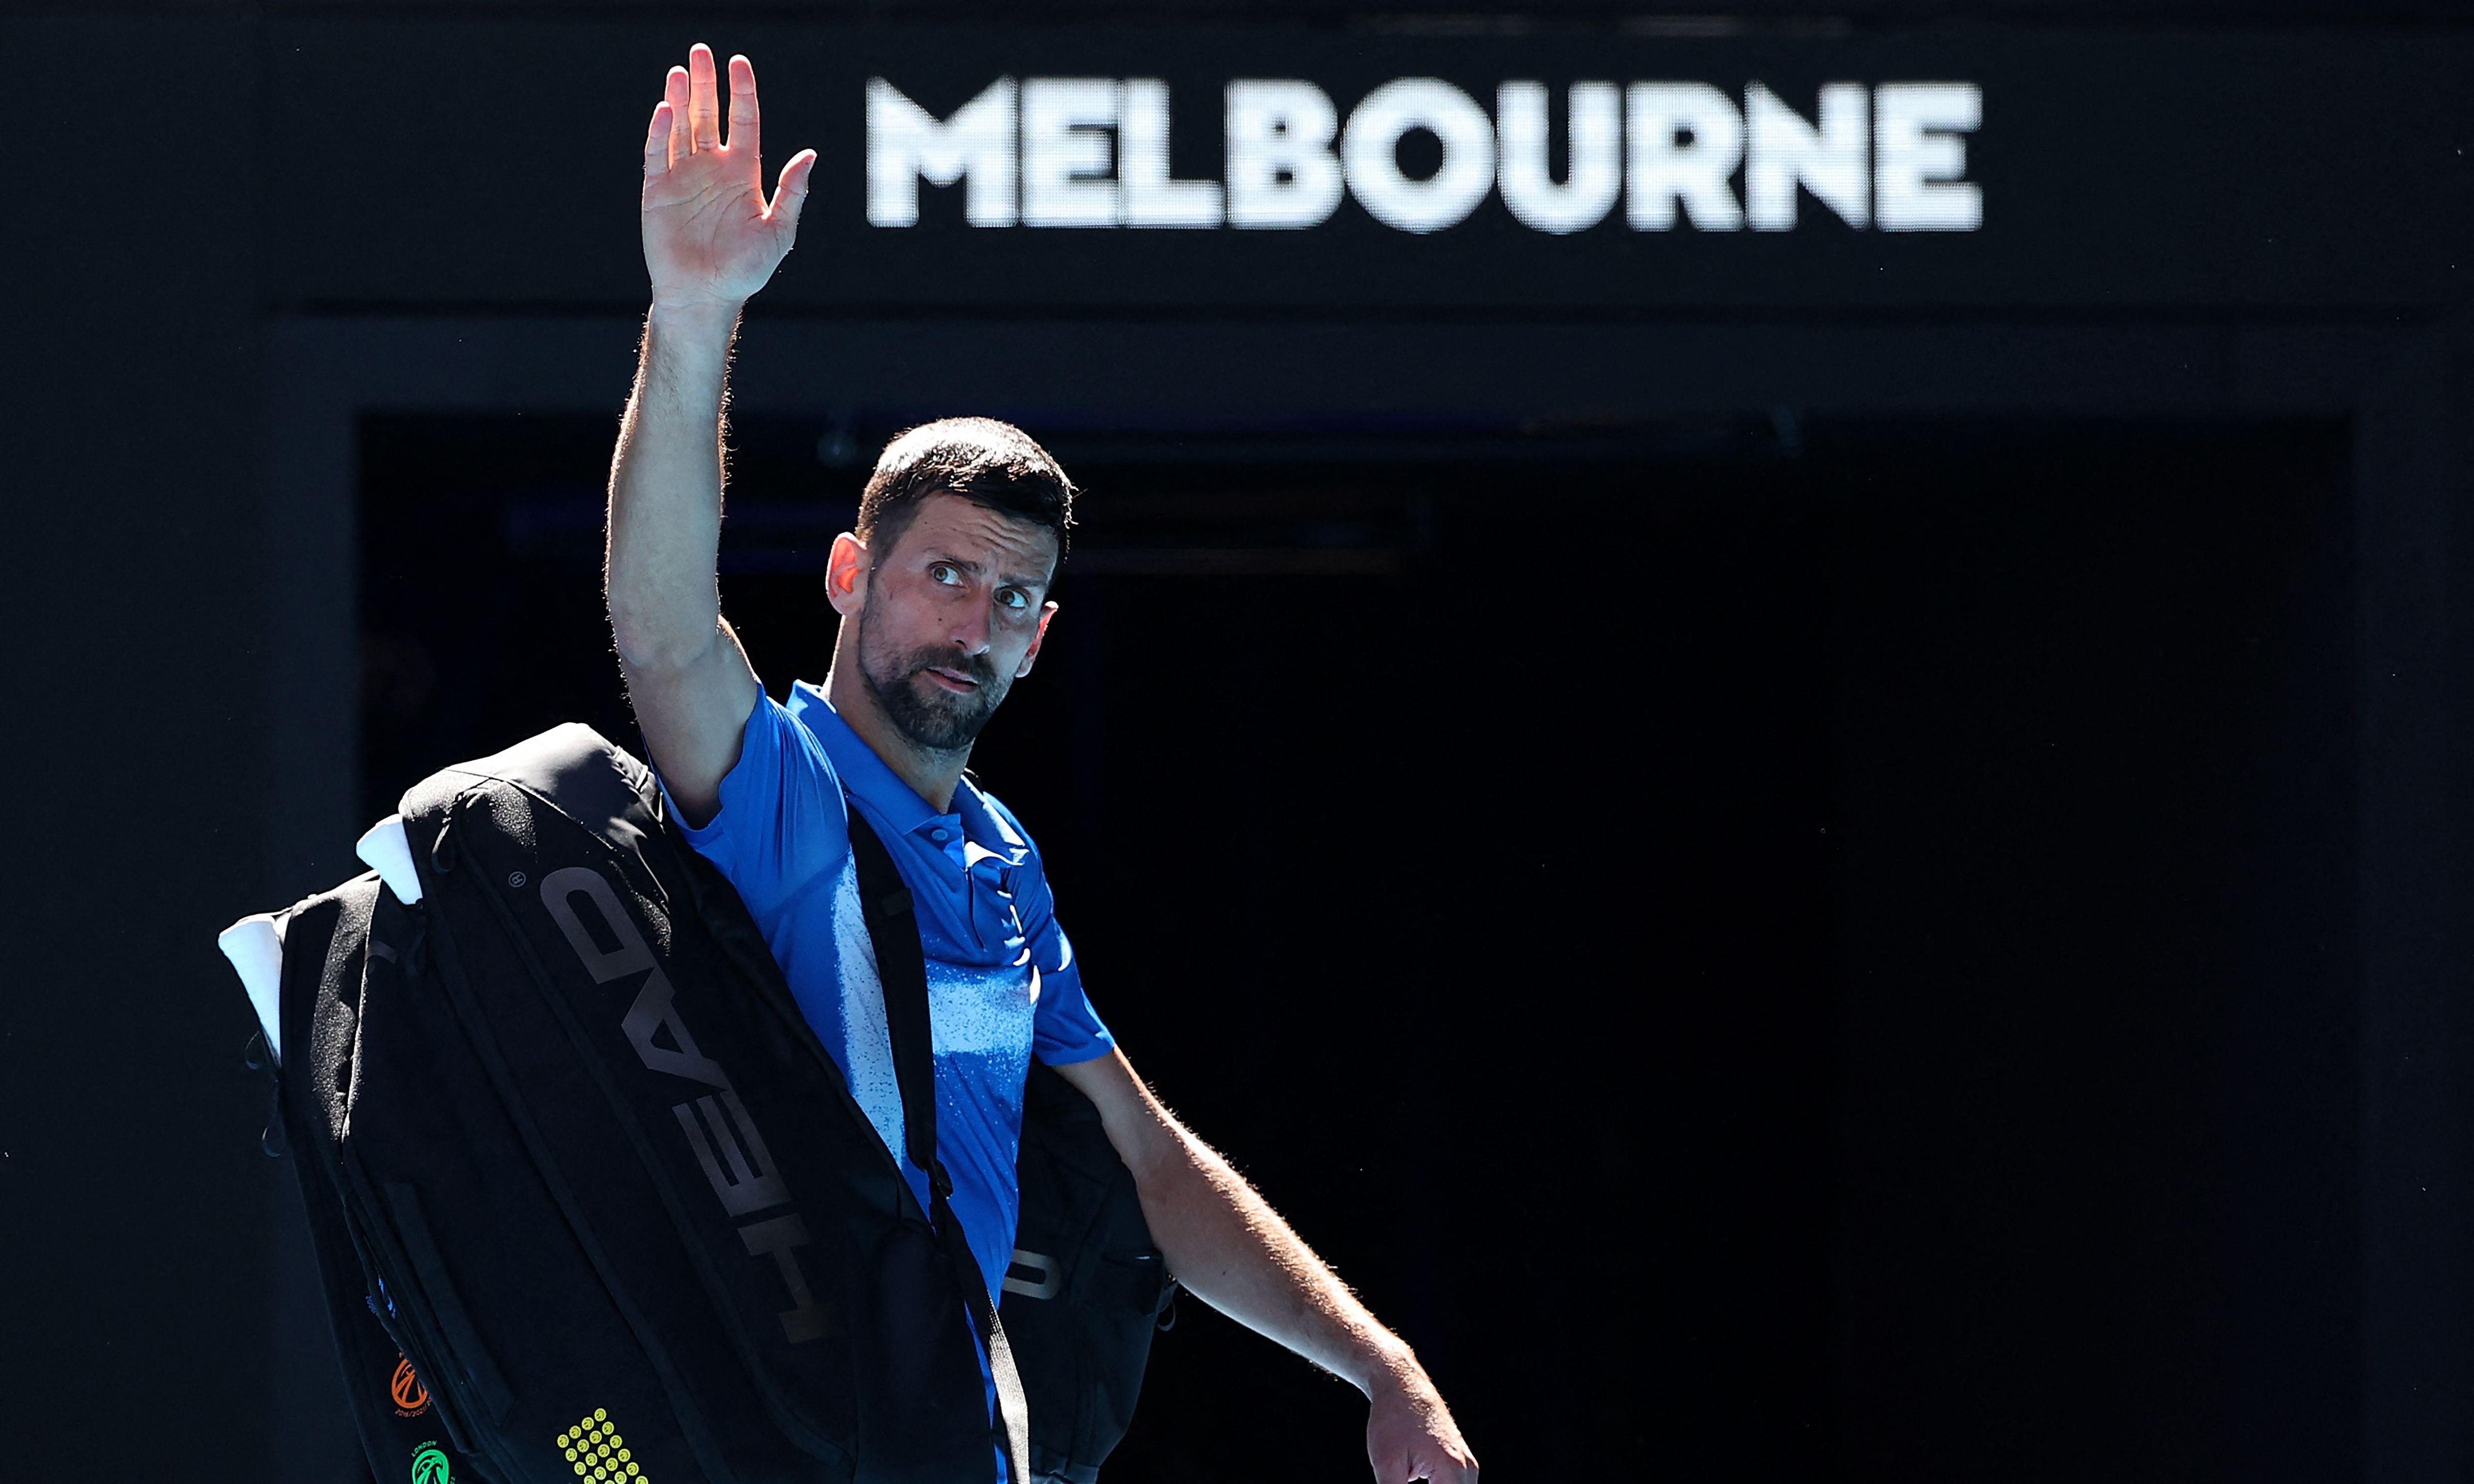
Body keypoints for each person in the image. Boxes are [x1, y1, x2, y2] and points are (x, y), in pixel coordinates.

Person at [603, 42, 1481, 1484]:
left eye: (1013, 600)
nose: (976, 623)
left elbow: (1149, 1162)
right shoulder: (777, 793)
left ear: (1043, 635)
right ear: (846, 574)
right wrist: (694, 313)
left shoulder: (1000, 863)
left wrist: (1379, 1368)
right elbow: (657, 629)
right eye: (946, 576)